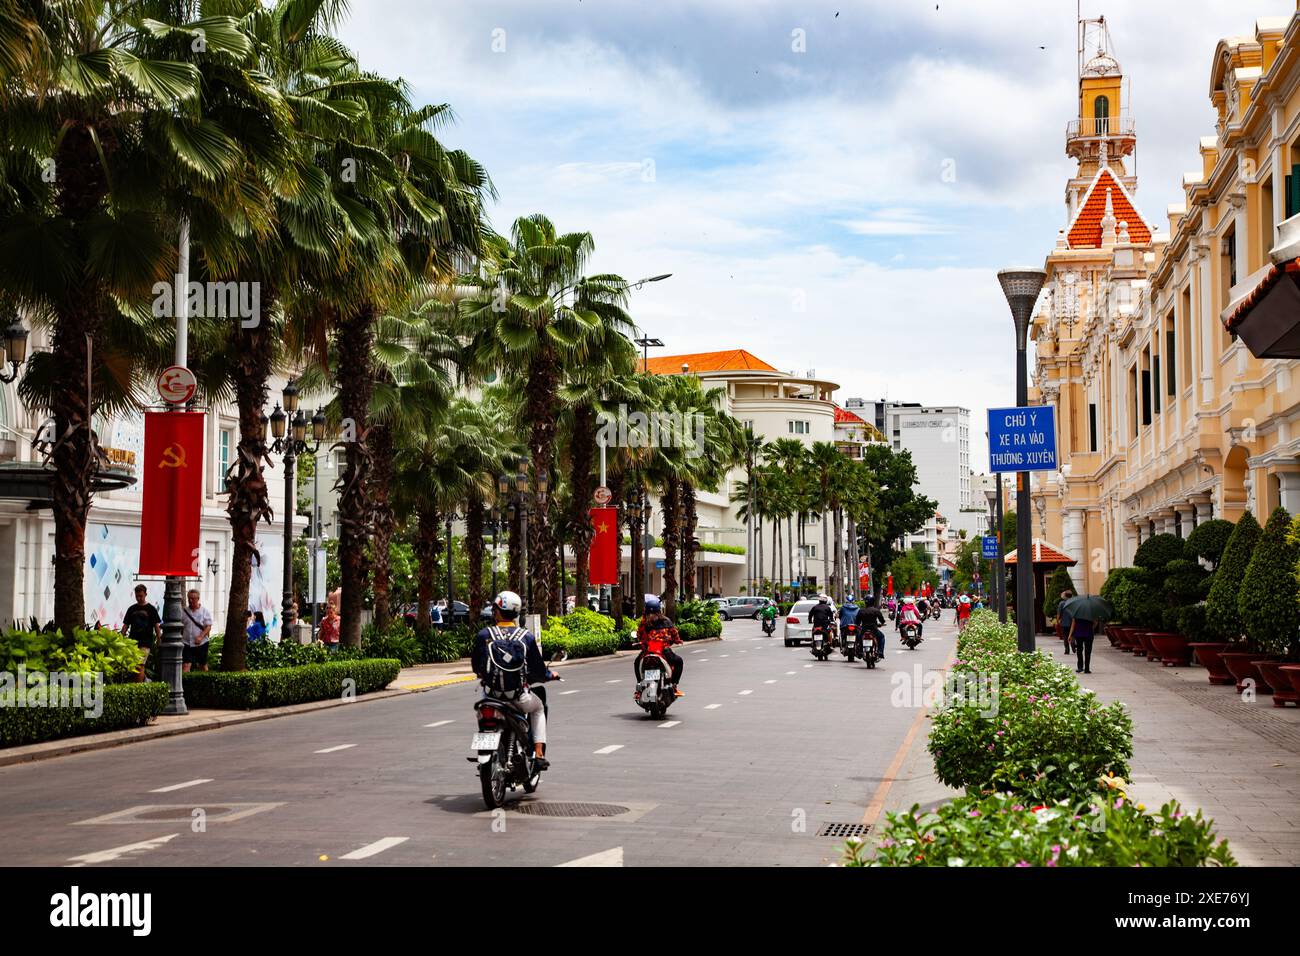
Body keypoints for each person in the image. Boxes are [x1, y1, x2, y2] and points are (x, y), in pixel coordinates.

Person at [471, 590, 557, 770]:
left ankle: (484, 747)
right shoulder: (526, 637)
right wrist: (550, 675)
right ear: (517, 613)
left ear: (497, 611)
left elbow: (477, 667)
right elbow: (539, 670)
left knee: (482, 708)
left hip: (491, 696)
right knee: (539, 707)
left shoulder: (484, 635)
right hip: (518, 697)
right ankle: (539, 753)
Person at [634, 596, 684, 696]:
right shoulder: (646, 624)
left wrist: (677, 640)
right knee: (636, 663)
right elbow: (639, 635)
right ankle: (640, 687)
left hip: (659, 650)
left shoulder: (661, 622)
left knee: (678, 661)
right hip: (653, 650)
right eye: (650, 613)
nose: (652, 616)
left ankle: (673, 685)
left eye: (653, 613)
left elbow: (674, 633)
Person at [121, 584, 161, 682]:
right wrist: (120, 639)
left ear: (145, 594)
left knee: (140, 665)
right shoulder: (131, 609)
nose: (139, 598)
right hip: (132, 643)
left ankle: (138, 688)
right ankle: (144, 682)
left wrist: (159, 640)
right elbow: (125, 626)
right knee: (133, 666)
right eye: (137, 596)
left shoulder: (151, 609)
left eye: (141, 596)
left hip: (145, 642)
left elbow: (157, 627)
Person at [180, 589, 213, 673]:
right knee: (186, 665)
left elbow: (208, 626)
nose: (191, 601)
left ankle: (205, 684)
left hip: (201, 643)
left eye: (193, 599)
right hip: (186, 643)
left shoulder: (204, 611)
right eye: (189, 598)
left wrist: (201, 637)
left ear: (198, 598)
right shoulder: (184, 611)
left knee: (202, 665)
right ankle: (185, 684)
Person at [1056, 589, 1075, 656]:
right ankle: (1073, 644)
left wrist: (1057, 620)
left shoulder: (1062, 603)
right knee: (1072, 634)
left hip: (1064, 622)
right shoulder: (1073, 602)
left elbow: (1059, 613)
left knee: (1065, 636)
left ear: (1065, 596)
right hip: (1073, 622)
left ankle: (1067, 650)